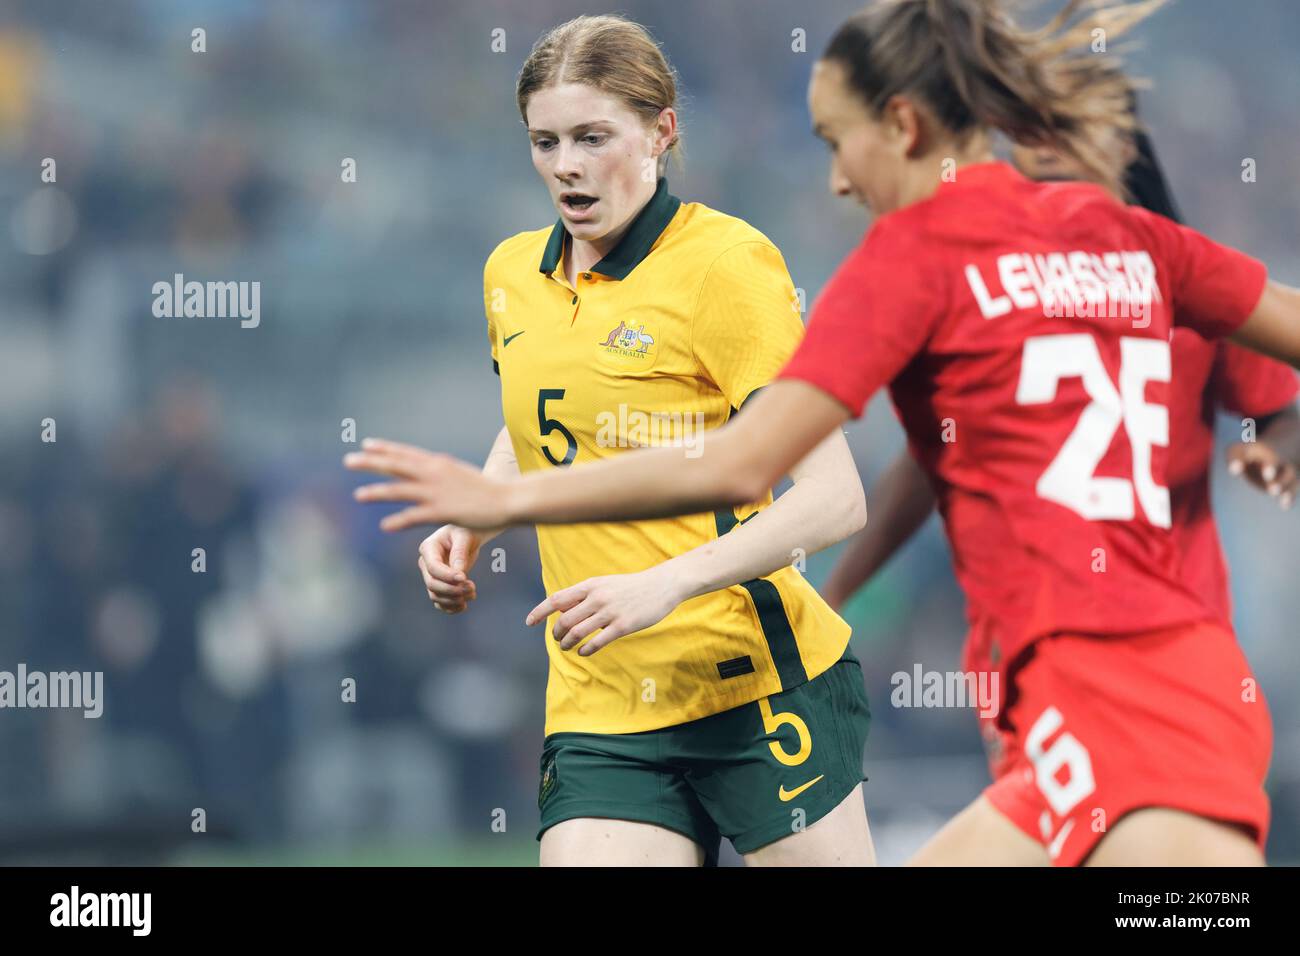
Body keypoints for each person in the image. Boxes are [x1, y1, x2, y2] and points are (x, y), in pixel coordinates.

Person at [347, 0, 1300, 865]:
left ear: (903, 126)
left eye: (837, 141)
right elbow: (947, 461)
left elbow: (756, 467)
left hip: (1039, 694)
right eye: (544, 140)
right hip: (1157, 687)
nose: (837, 180)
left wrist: (511, 503)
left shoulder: (901, 259)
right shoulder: (1146, 245)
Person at [406, 15, 875, 867]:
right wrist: (476, 517)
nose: (567, 166)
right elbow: (544, 417)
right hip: (602, 704)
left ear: (661, 132)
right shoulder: (511, 273)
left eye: (593, 137)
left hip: (756, 688)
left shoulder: (728, 266)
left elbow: (836, 498)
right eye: (544, 142)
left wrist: (666, 584)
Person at [821, 106, 1299, 865]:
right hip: (1061, 666)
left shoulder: (1183, 289)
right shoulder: (1048, 298)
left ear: (1123, 163)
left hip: (1145, 668)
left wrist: (1278, 449)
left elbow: (1282, 406)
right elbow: (930, 456)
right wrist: (836, 592)